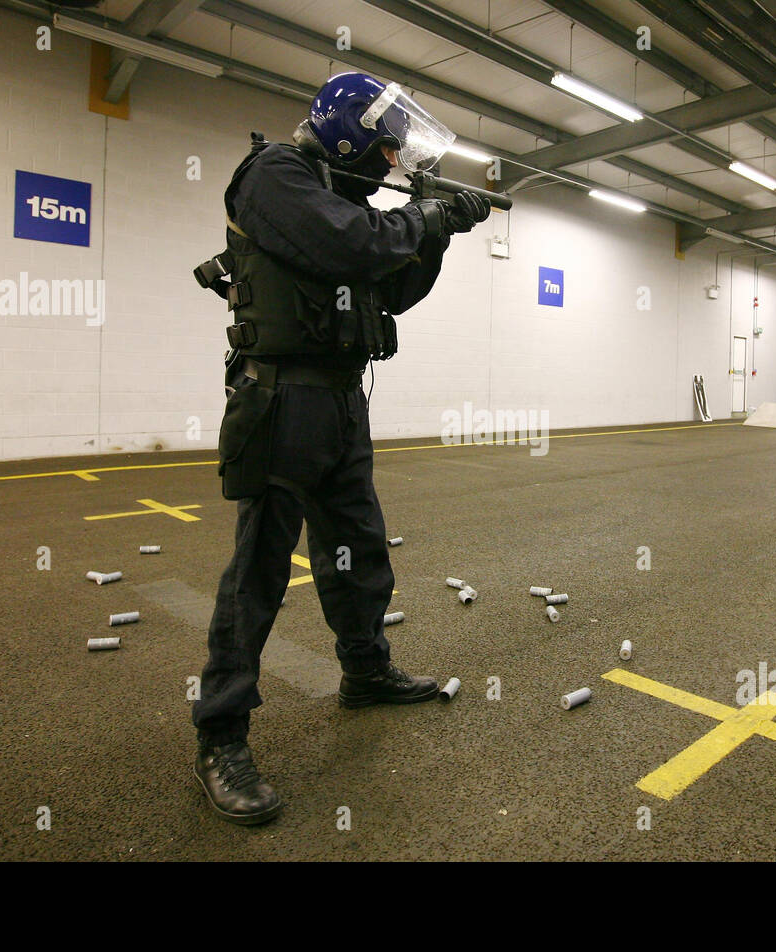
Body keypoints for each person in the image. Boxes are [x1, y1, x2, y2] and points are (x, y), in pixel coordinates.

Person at [190, 72, 492, 825]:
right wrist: (425, 215)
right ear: (350, 132)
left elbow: (390, 290)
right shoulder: (275, 177)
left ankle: (365, 670)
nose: (393, 155)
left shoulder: (345, 198)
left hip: (338, 401)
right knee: (259, 568)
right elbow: (353, 246)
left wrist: (439, 229)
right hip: (280, 401)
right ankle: (220, 732)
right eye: (386, 141)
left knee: (356, 545)